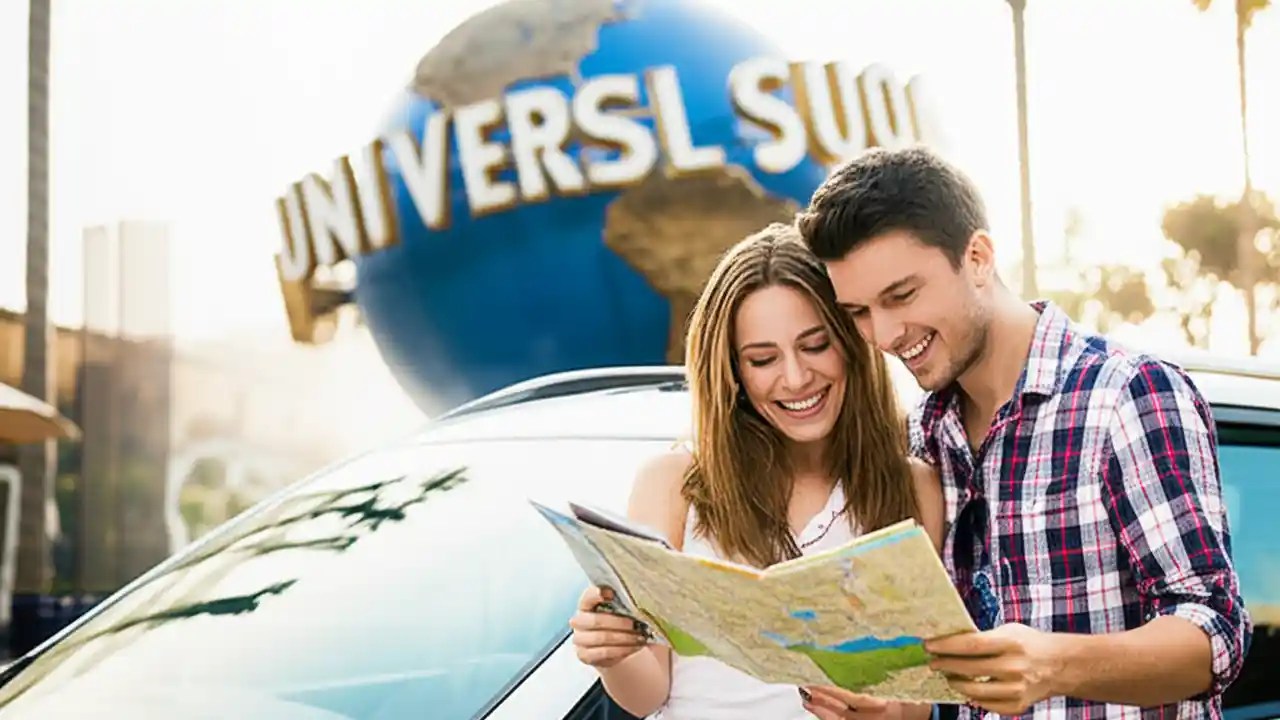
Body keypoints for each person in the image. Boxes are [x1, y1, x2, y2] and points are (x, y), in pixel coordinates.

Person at [793, 146, 1252, 720]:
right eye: (859, 312)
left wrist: (1054, 665)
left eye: (901, 296)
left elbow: (1214, 633)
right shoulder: (926, 433)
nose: (883, 335)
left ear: (978, 258)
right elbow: (963, 685)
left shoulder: (1126, 396)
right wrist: (904, 711)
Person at [567, 223, 945, 719]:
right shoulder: (673, 484)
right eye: (763, 359)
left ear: (852, 343)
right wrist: (611, 653)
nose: (796, 378)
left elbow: (920, 697)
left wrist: (885, 712)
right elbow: (647, 694)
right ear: (734, 372)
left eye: (815, 345)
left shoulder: (913, 487)